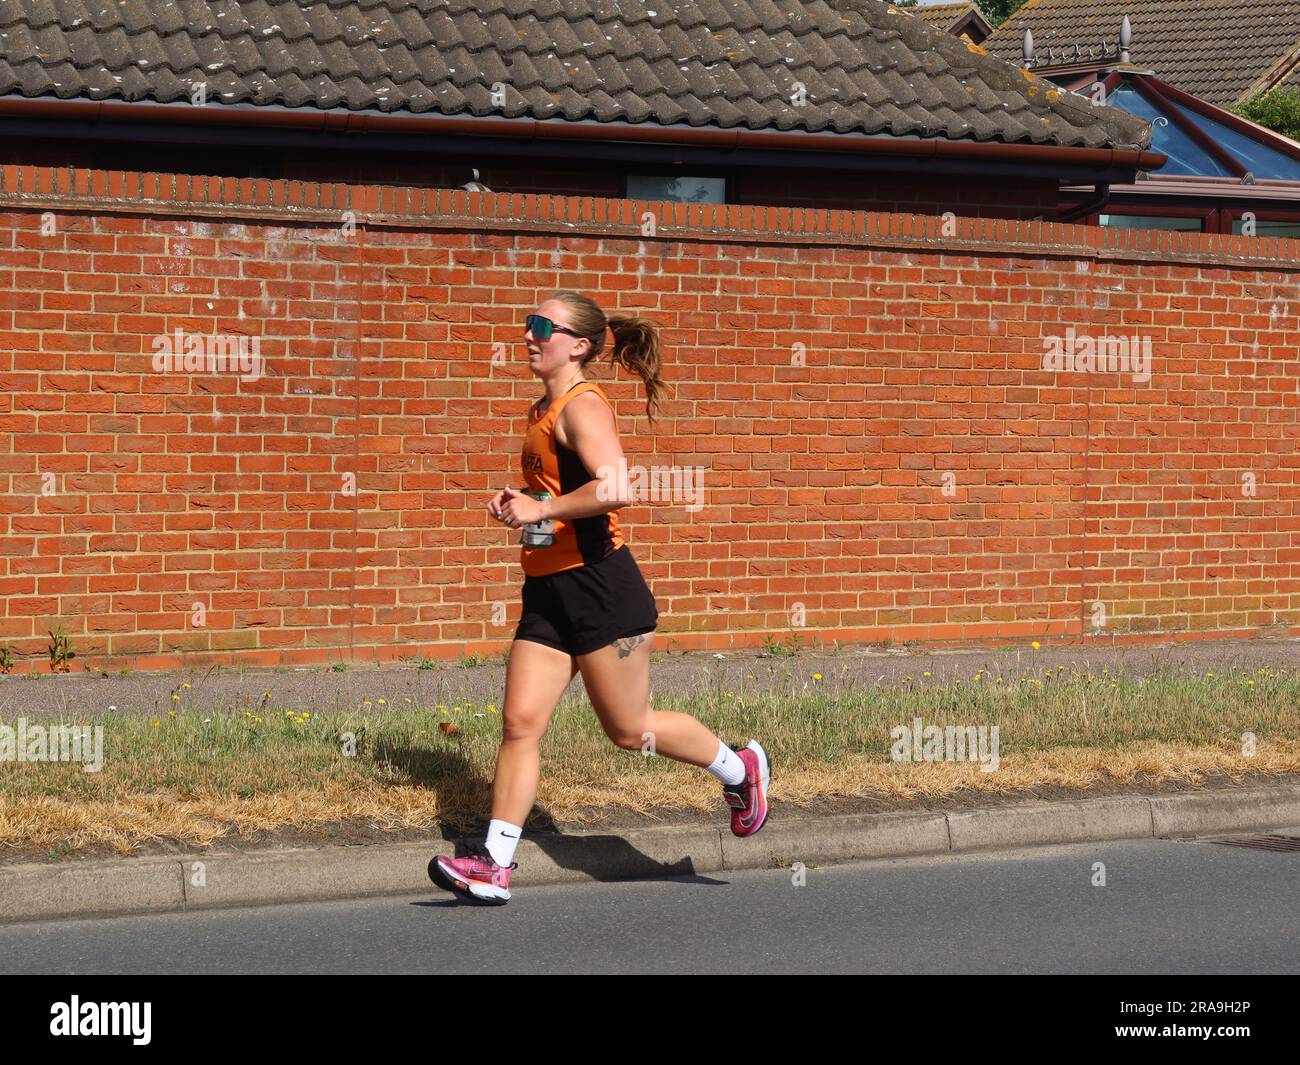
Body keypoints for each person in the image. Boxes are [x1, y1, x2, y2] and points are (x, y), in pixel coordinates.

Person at [429, 290, 770, 904]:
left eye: (542, 326)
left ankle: (739, 767)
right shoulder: (543, 406)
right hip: (549, 593)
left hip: (603, 592)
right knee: (519, 724)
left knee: (628, 728)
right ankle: (493, 866)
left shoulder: (582, 407)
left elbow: (617, 488)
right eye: (527, 323)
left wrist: (545, 506)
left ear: (579, 344)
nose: (528, 334)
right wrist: (524, 508)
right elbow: (563, 501)